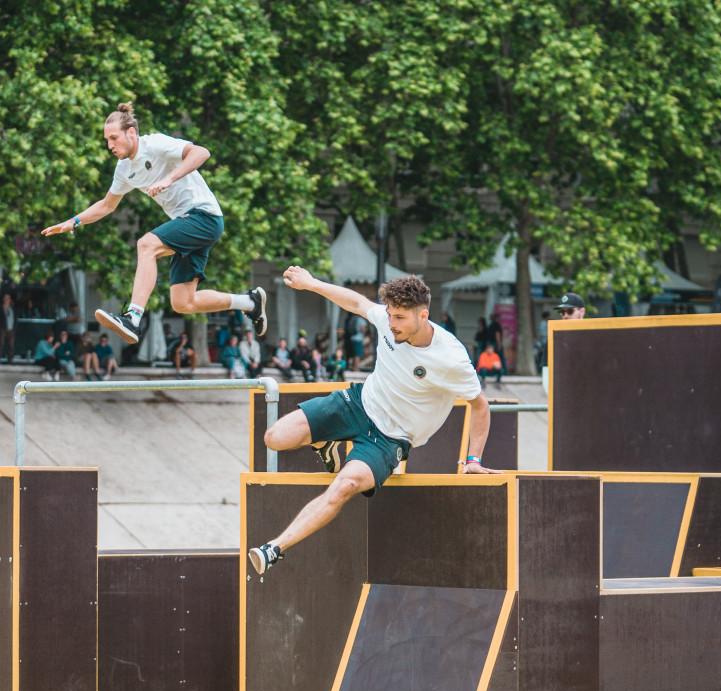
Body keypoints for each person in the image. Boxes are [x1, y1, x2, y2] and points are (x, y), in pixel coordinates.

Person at [247, 269, 499, 574]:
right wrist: (311, 284)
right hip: (357, 404)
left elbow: (481, 407)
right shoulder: (387, 320)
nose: (391, 324)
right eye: (390, 315)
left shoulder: (451, 358)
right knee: (274, 437)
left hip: (388, 441)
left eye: (400, 318)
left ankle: (274, 548)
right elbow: (354, 302)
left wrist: (473, 459)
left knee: (345, 485)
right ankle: (327, 443)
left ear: (423, 316)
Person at [40, 102, 266, 345]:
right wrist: (74, 221)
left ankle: (132, 318)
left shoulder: (155, 144)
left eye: (114, 139)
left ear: (131, 133)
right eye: (107, 140)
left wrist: (169, 179)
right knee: (183, 303)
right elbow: (107, 205)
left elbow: (201, 152)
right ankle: (250, 303)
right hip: (186, 223)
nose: (110, 146)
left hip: (205, 216)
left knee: (146, 245)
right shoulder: (124, 169)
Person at [0, 292, 17, 362]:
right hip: (3, 328)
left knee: (11, 345)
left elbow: (15, 317)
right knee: (0, 343)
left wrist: (14, 327)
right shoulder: (0, 307)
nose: (7, 299)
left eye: (8, 298)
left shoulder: (12, 307)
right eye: (5, 298)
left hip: (11, 328)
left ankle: (10, 359)